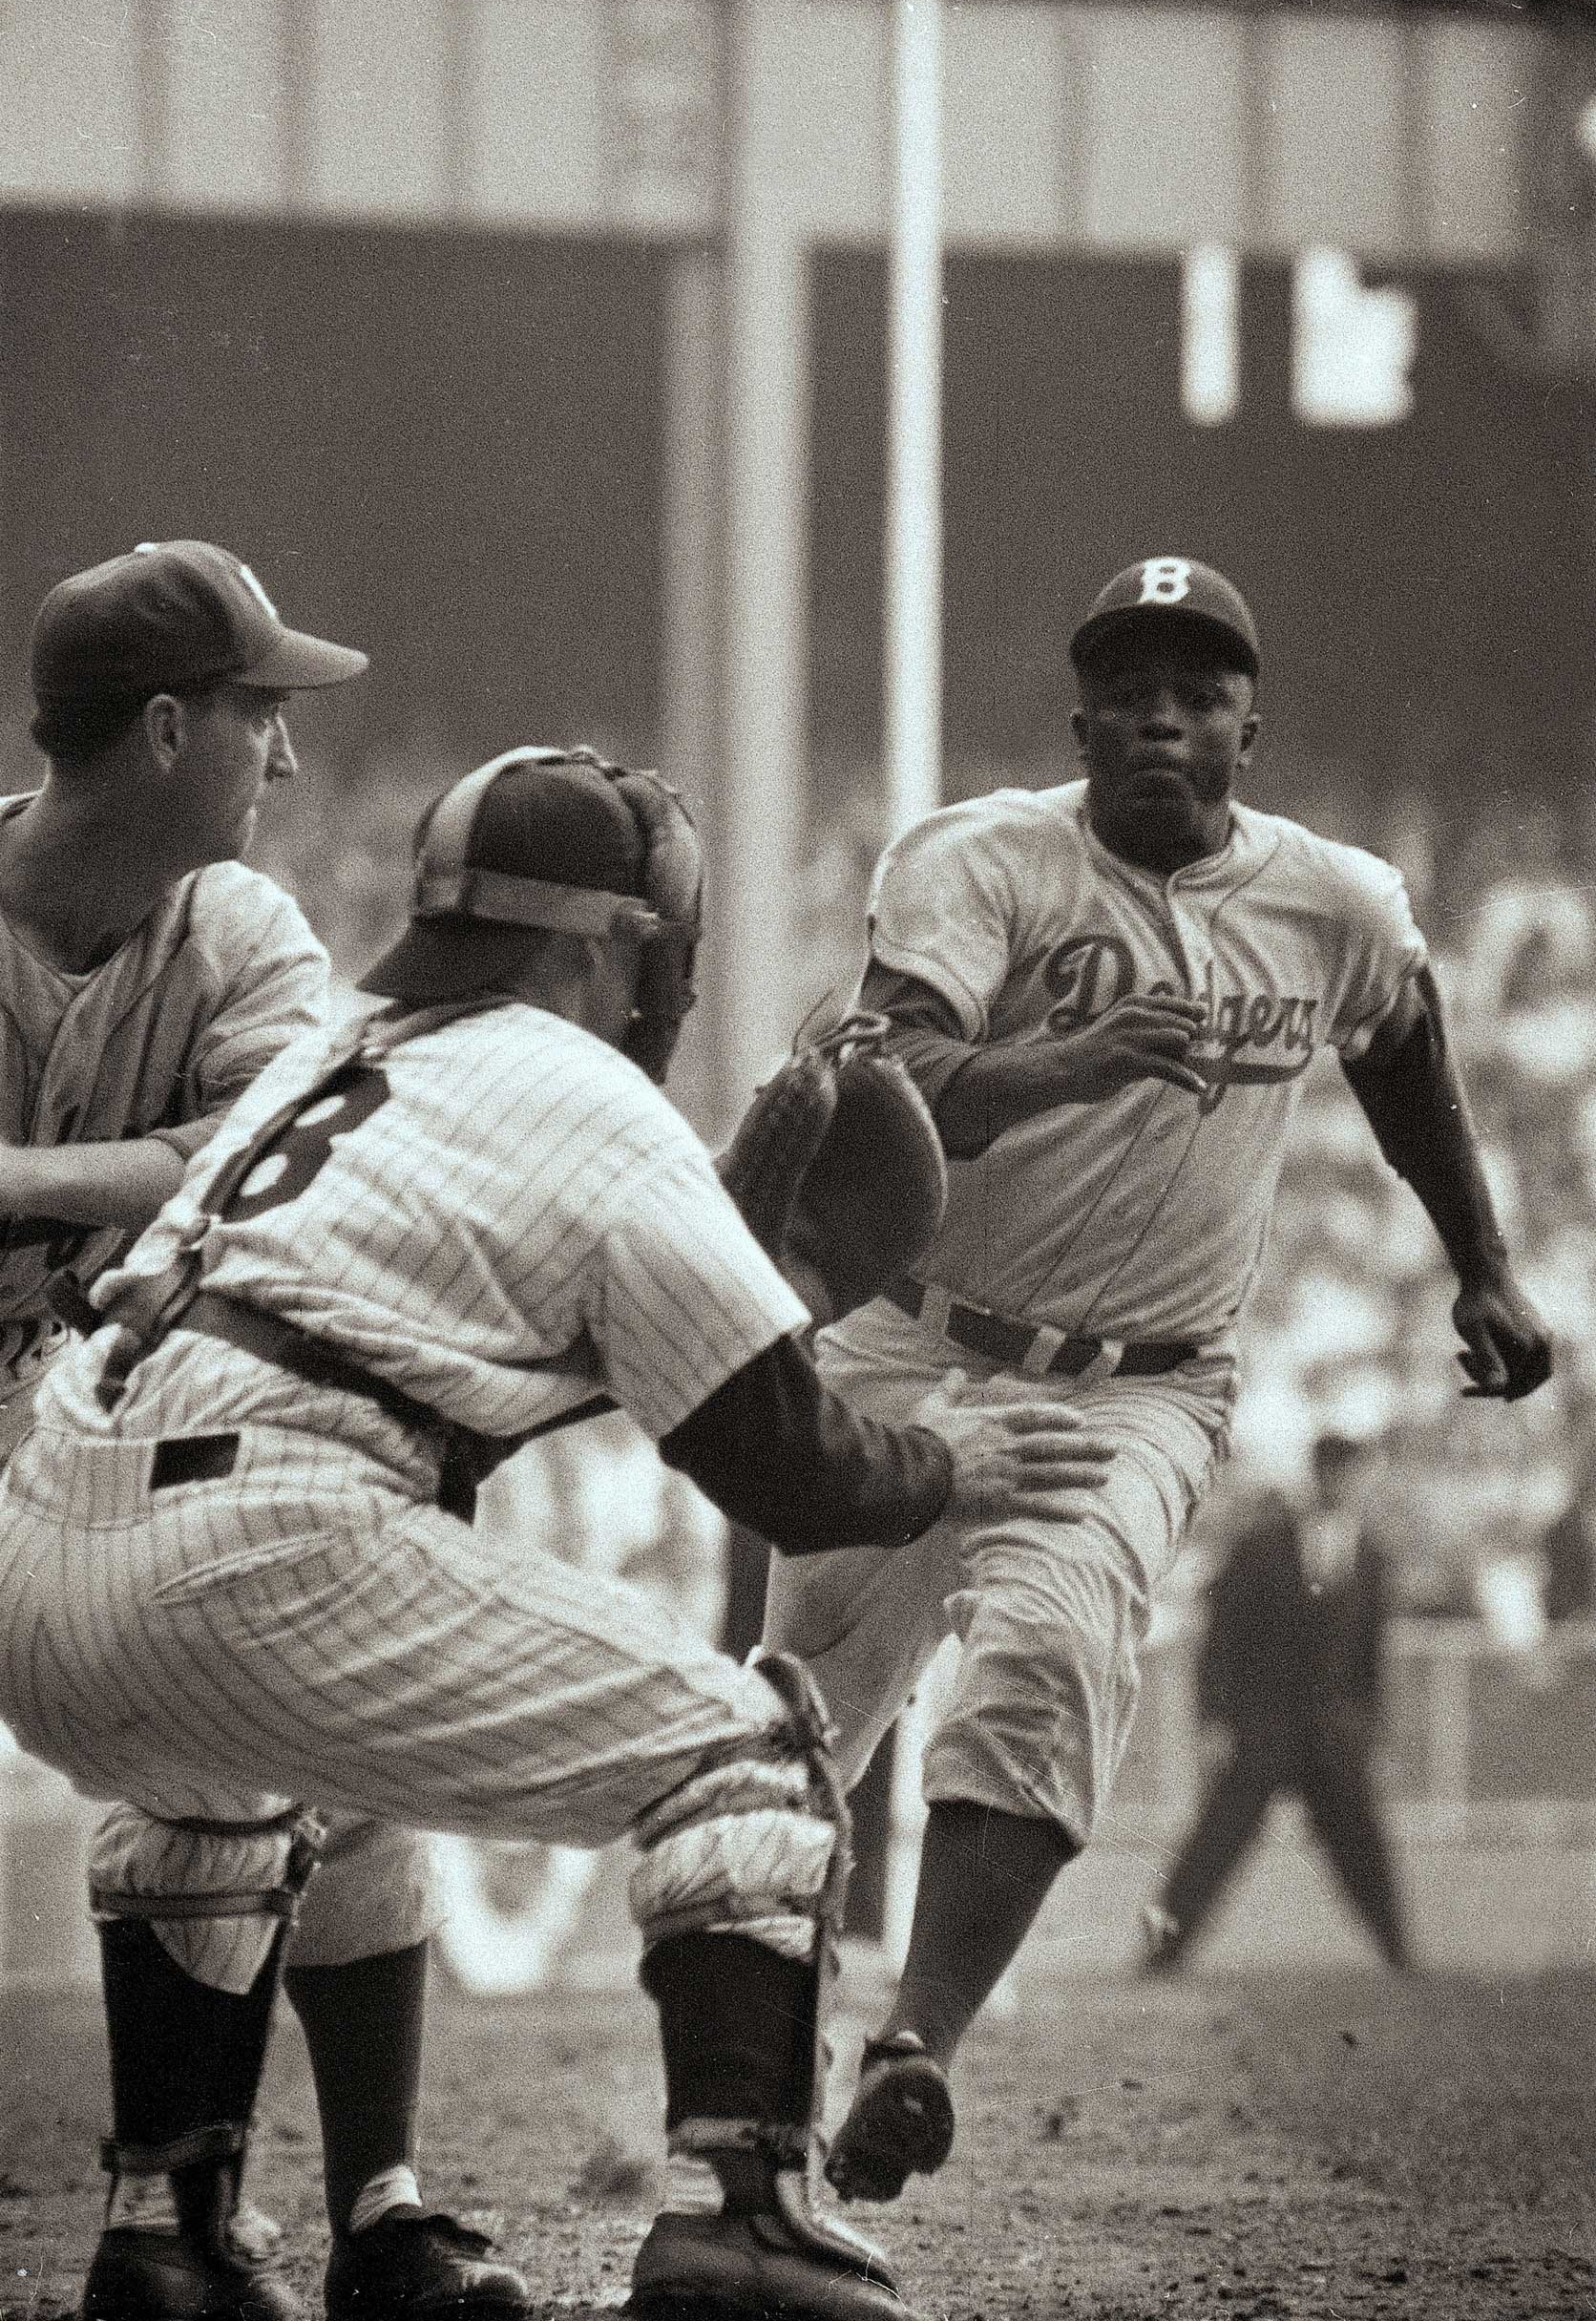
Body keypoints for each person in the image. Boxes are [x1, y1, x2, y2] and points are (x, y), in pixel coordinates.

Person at [0, 742, 1115, 2321]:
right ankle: (731, 2213)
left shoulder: (322, 1060)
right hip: (256, 1535)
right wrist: (949, 1474)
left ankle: (165, 2235)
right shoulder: (581, 1088)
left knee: (223, 1792)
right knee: (753, 1755)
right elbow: (779, 1468)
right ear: (599, 943)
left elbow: (433, 1351)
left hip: (44, 1553)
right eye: (652, 940)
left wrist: (713, 1267)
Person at [762, 554, 1552, 2205]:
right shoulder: (980, 857)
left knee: (1047, 1652)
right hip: (909, 1338)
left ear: (1247, 728)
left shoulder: (1330, 900)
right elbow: (882, 1083)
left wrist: (1478, 1261)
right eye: (1131, 694)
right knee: (789, 1730)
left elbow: (1401, 1043)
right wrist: (1071, 1060)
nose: (1162, 722)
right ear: (1082, 720)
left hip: (1133, 1385)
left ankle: (914, 2045)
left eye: (1197, 695)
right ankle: (740, 2117)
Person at [0, 538, 396, 2310]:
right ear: (167, 731)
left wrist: (18, 1180)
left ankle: (328, 2213)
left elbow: (241, 1170)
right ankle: (173, 2232)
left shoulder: (243, 928)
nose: (289, 755)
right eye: (260, 714)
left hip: (79, 1434)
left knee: (334, 1693)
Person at [1142, 1434, 1414, 1975]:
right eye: (1334, 1472)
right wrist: (1212, 1721)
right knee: (1212, 1848)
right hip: (1261, 1731)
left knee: (1363, 1848)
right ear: (1317, 1475)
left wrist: (1374, 1732)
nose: (1343, 1483)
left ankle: (1400, 1957)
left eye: (1353, 1473)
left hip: (1333, 1736)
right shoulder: (1260, 1546)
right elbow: (1220, 1642)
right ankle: (1158, 1956)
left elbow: (1370, 1659)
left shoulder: (1373, 1556)